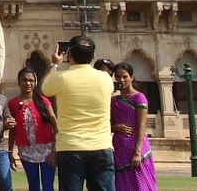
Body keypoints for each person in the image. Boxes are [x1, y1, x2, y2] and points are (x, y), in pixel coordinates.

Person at [41, 37, 115, 191]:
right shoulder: (105, 79)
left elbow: (44, 88)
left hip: (71, 146)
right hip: (100, 145)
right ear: (93, 56)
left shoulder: (61, 78)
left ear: (70, 56)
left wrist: (55, 63)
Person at [8, 67, 56, 191]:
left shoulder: (44, 101)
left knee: (48, 186)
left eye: (31, 80)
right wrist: (10, 152)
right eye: (24, 80)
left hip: (47, 150)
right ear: (19, 82)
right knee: (33, 186)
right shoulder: (13, 103)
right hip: (26, 151)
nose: (28, 83)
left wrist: (54, 151)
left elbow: (55, 126)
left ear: (35, 82)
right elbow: (12, 129)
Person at [109, 63, 155, 191]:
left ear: (132, 78)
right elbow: (106, 124)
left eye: (125, 76)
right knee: (122, 183)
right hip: (120, 147)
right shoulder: (114, 100)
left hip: (136, 147)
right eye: (118, 77)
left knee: (141, 183)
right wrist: (116, 128)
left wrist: (137, 152)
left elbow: (141, 126)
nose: (121, 80)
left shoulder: (139, 98)